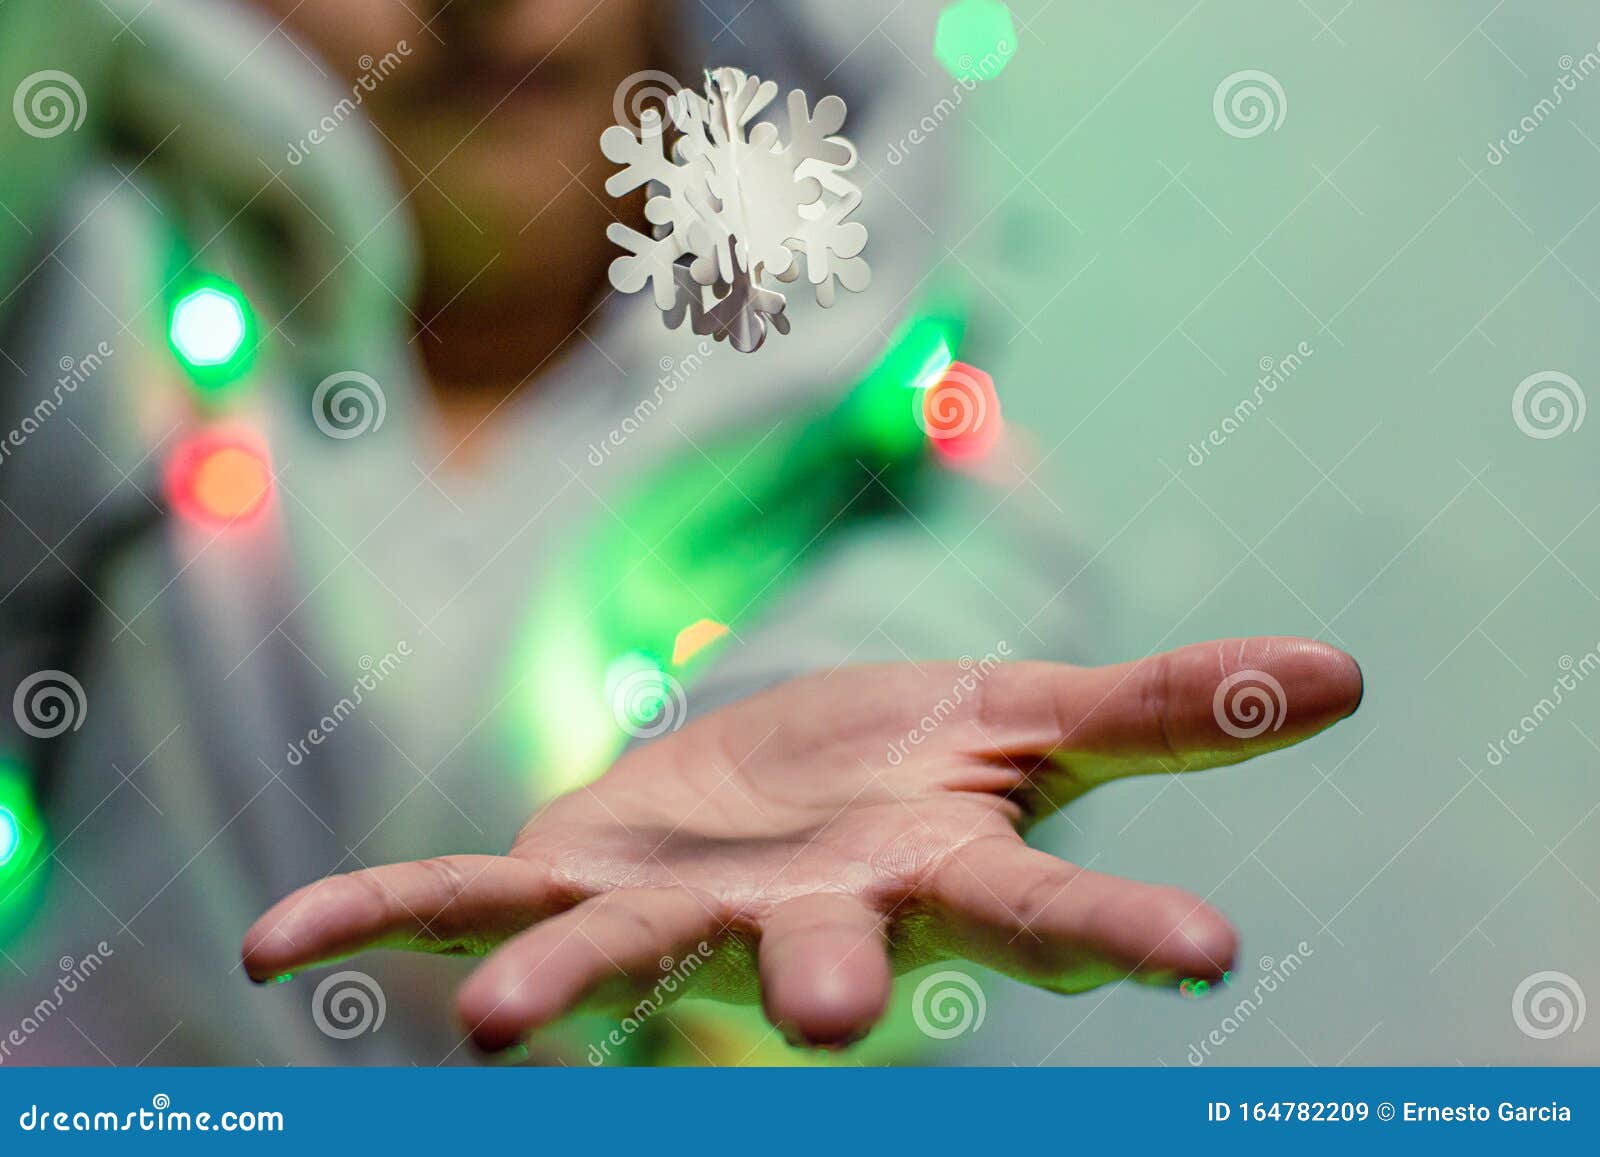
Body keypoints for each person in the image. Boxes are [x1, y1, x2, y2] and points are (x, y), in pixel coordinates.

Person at [0, 0, 1361, 1064]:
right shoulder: (75, 333)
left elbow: (929, 613)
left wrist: (817, 758)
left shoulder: (901, 436)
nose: (487, 0)